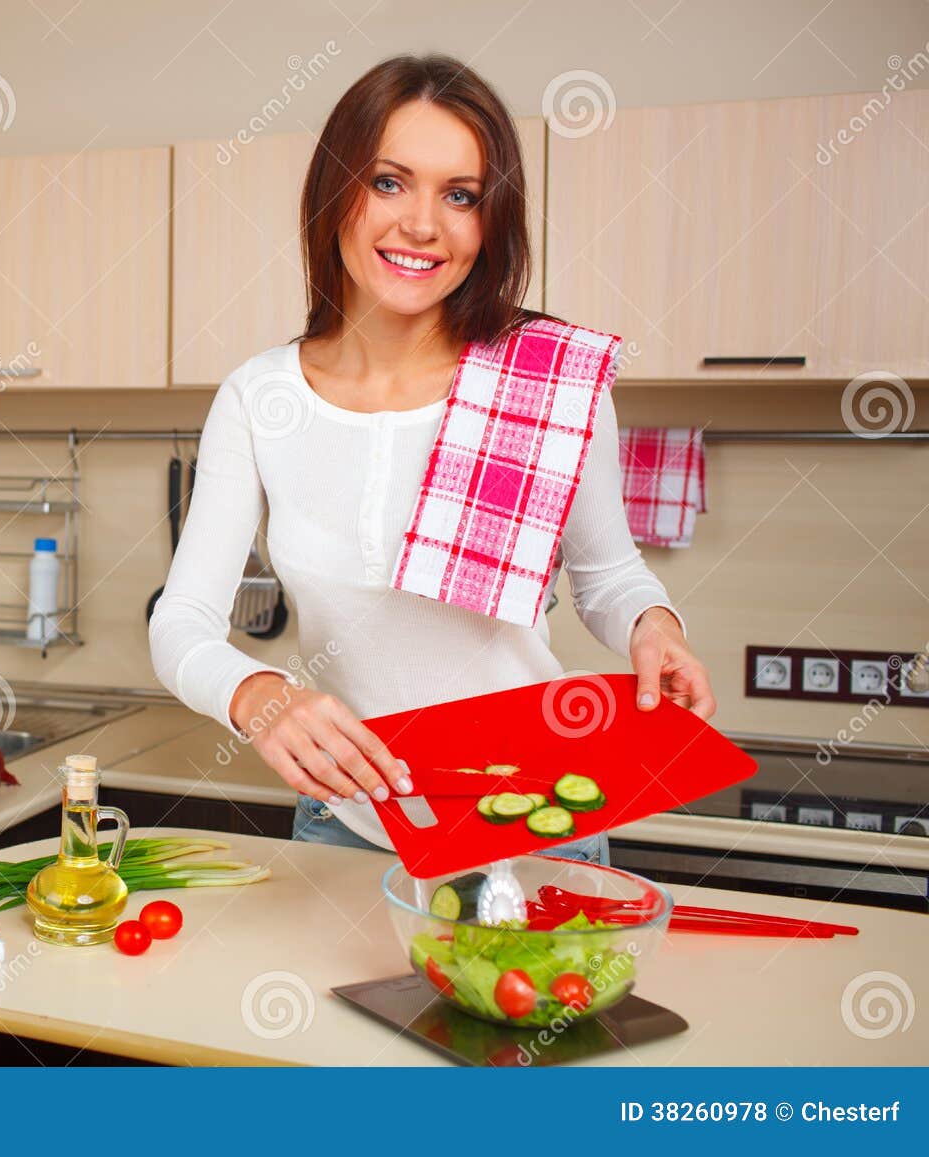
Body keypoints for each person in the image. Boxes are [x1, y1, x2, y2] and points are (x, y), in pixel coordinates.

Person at [148, 54, 715, 861]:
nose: (422, 224)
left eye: (460, 195)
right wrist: (260, 695)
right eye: (388, 182)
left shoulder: (542, 378)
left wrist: (654, 626)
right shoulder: (259, 397)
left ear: (491, 221)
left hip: (538, 822)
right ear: (334, 191)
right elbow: (183, 621)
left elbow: (609, 576)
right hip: (348, 823)